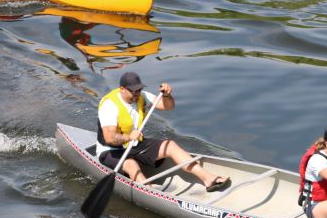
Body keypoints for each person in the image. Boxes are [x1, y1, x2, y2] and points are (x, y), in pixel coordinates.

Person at [96, 72, 231, 192]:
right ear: (122, 89)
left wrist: (167, 96)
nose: (137, 94)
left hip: (134, 144)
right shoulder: (109, 105)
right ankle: (148, 191)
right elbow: (110, 138)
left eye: (139, 90)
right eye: (133, 91)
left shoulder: (141, 96)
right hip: (111, 150)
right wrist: (129, 137)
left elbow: (168, 106)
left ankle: (208, 179)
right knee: (131, 164)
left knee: (170, 145)